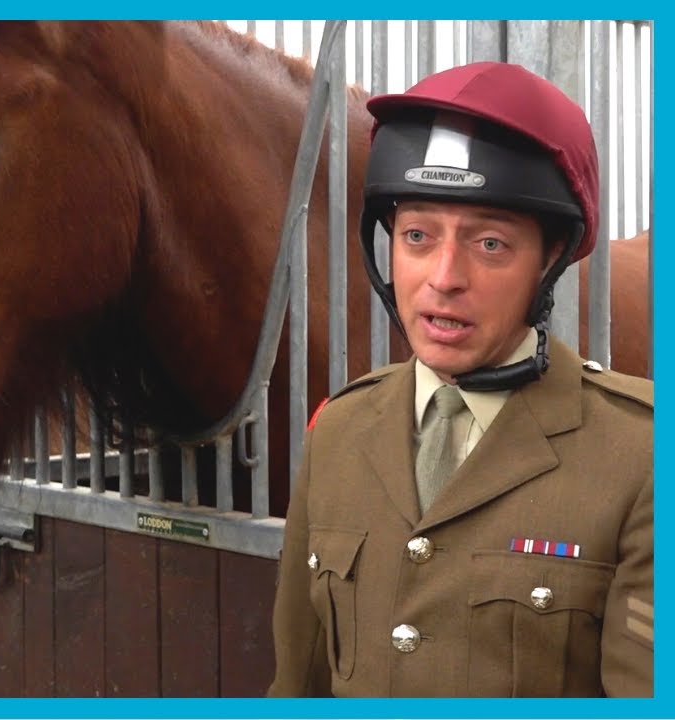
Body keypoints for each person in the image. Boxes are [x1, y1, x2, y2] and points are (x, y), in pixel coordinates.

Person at [268, 61, 652, 697]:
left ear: (549, 259)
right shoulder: (338, 431)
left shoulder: (640, 456)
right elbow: (298, 684)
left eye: (491, 244)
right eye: (417, 235)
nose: (444, 276)